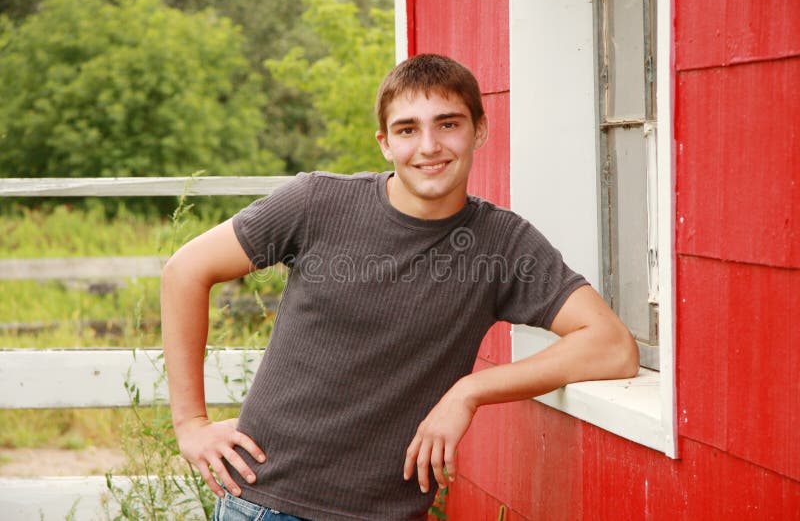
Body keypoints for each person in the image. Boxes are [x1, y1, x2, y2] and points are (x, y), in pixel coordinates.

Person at [162, 54, 639, 521]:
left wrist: (469, 391)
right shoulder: (316, 203)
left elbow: (612, 347)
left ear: (480, 130)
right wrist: (191, 424)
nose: (428, 146)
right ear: (385, 143)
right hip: (267, 503)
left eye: (447, 124)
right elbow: (185, 271)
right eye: (408, 129)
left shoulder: (503, 244)